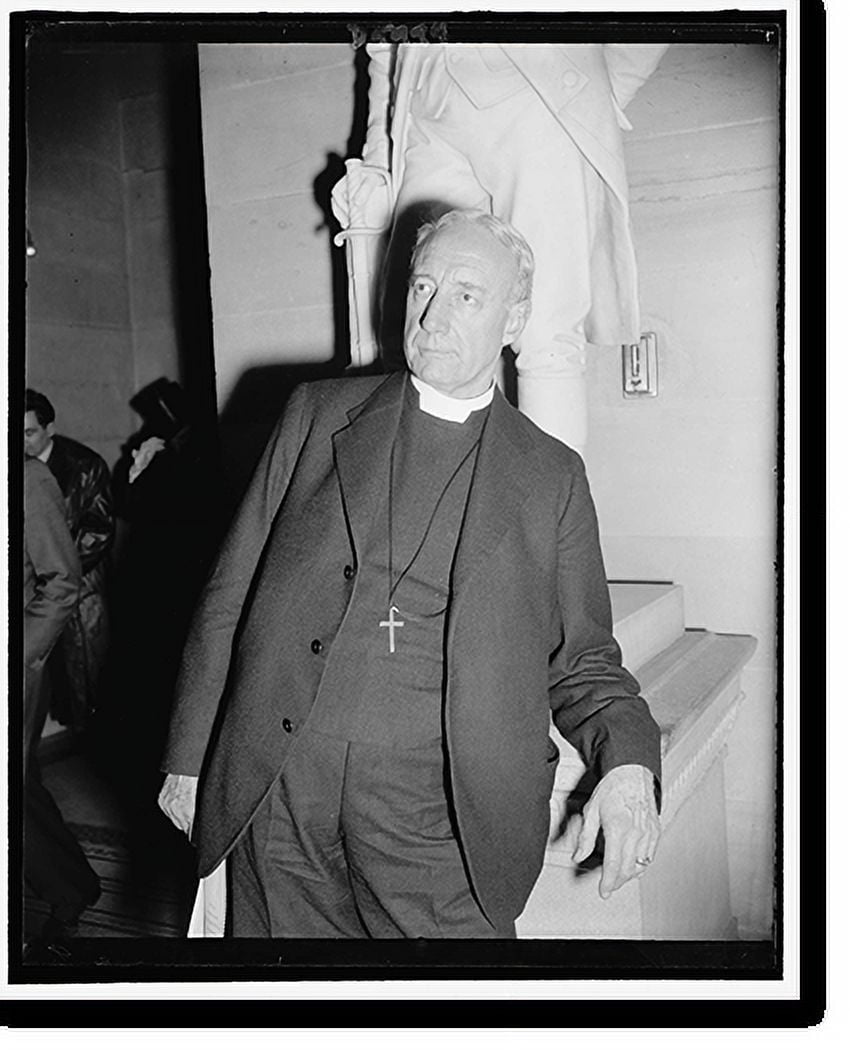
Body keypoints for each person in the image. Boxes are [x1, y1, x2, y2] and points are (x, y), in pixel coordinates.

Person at [159, 210, 661, 939]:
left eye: (466, 295)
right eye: (422, 286)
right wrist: (187, 755)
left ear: (513, 317)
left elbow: (583, 659)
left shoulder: (551, 477)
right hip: (282, 790)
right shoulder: (316, 414)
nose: (431, 313)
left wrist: (628, 765)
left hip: (440, 821)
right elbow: (228, 593)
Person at [332, 42, 668, 451]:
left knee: (548, 336)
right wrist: (375, 161)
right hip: (423, 108)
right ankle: (435, 509)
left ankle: (547, 513)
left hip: (533, 88)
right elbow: (383, 43)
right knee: (423, 342)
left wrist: (594, 93)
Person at [23, 457, 101, 945]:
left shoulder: (26, 475)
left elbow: (62, 581)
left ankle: (69, 892)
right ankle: (72, 885)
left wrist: (17, 659)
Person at [24, 389, 115, 729]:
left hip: (81, 589)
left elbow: (99, 530)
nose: (22, 442)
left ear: (50, 429)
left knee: (86, 679)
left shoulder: (86, 465)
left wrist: (58, 565)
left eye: (29, 432)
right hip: (41, 593)